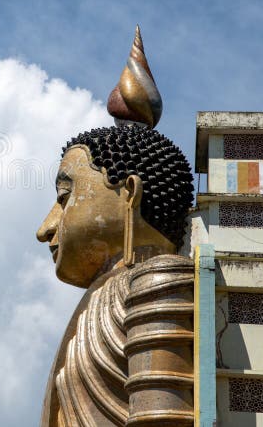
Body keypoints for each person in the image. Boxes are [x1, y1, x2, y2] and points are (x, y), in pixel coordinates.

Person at [36, 27, 196, 427]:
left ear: (129, 193)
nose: (46, 228)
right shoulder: (106, 296)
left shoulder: (160, 282)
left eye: (64, 199)